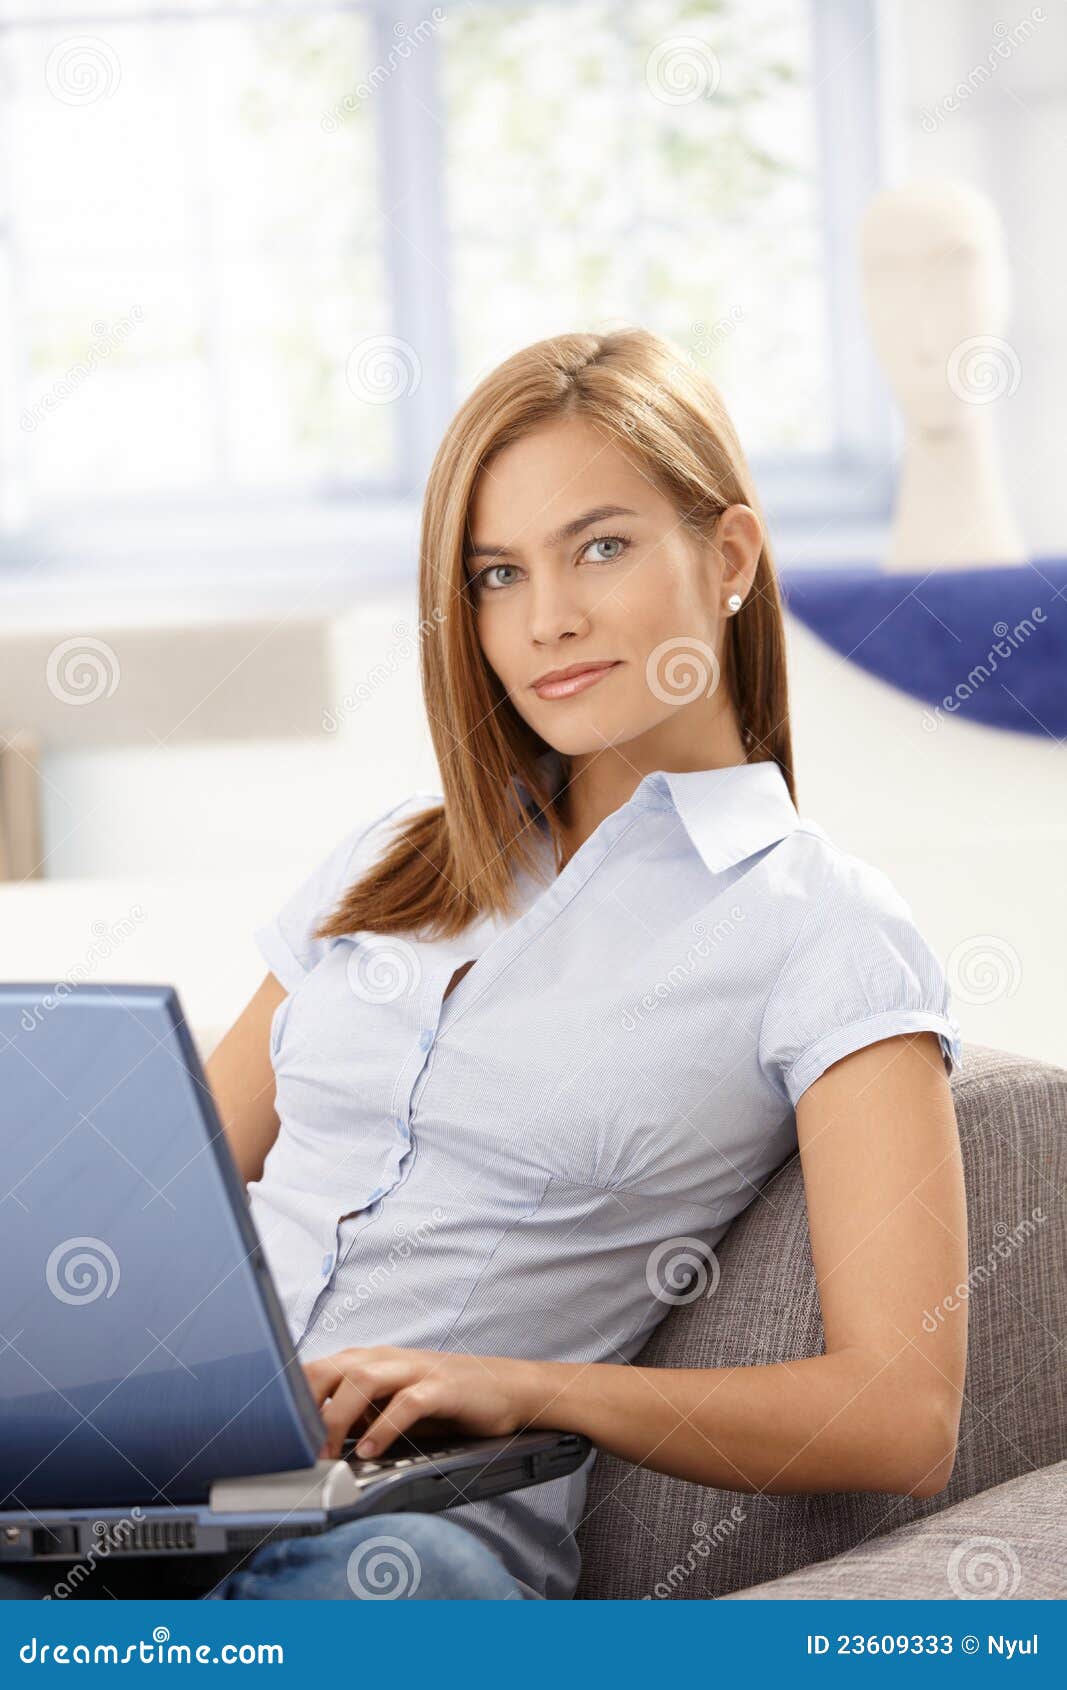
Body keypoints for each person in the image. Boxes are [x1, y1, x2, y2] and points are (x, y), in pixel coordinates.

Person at [3, 328, 967, 1602]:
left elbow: (900, 1413)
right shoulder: (393, 861)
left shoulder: (822, 930)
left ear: (727, 556)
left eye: (601, 547)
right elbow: (144, 1199)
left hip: (395, 1537)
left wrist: (519, 1388)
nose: (546, 618)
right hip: (137, 1473)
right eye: (496, 573)